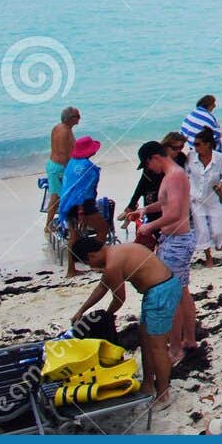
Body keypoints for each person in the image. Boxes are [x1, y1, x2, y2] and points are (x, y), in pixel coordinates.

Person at [70, 235, 181, 407]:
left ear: (91, 256)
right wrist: (81, 311)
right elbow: (102, 287)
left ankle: (163, 394)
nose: (92, 267)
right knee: (145, 340)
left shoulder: (112, 264)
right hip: (159, 290)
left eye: (88, 264)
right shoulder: (115, 250)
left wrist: (106, 316)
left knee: (157, 347)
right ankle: (148, 384)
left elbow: (119, 299)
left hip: (161, 293)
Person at [133, 139, 197, 361]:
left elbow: (176, 213)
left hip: (177, 241)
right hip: (175, 239)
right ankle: (189, 340)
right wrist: (145, 210)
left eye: (147, 164)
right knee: (182, 291)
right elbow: (166, 203)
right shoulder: (171, 177)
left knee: (173, 296)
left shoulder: (175, 176)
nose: (149, 169)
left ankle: (176, 348)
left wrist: (149, 226)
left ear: (154, 158)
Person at [58, 136, 104, 277]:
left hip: (68, 203)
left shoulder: (72, 163)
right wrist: (81, 212)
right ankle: (96, 262)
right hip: (83, 204)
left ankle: (70, 270)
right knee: (103, 228)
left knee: (74, 237)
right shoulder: (88, 167)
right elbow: (83, 191)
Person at [189, 131, 222, 266]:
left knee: (217, 230)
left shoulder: (220, 159)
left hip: (214, 198)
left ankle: (218, 244)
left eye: (198, 144)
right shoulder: (190, 157)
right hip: (196, 199)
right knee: (201, 230)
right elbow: (184, 172)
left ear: (208, 144)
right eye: (193, 144)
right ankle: (208, 257)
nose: (195, 148)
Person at [45, 106, 78, 233]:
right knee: (56, 197)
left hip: (53, 165)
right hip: (59, 167)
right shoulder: (65, 131)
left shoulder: (59, 127)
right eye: (77, 116)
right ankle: (48, 225)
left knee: (59, 195)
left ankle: (57, 222)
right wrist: (71, 170)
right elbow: (64, 153)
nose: (79, 119)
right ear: (71, 118)